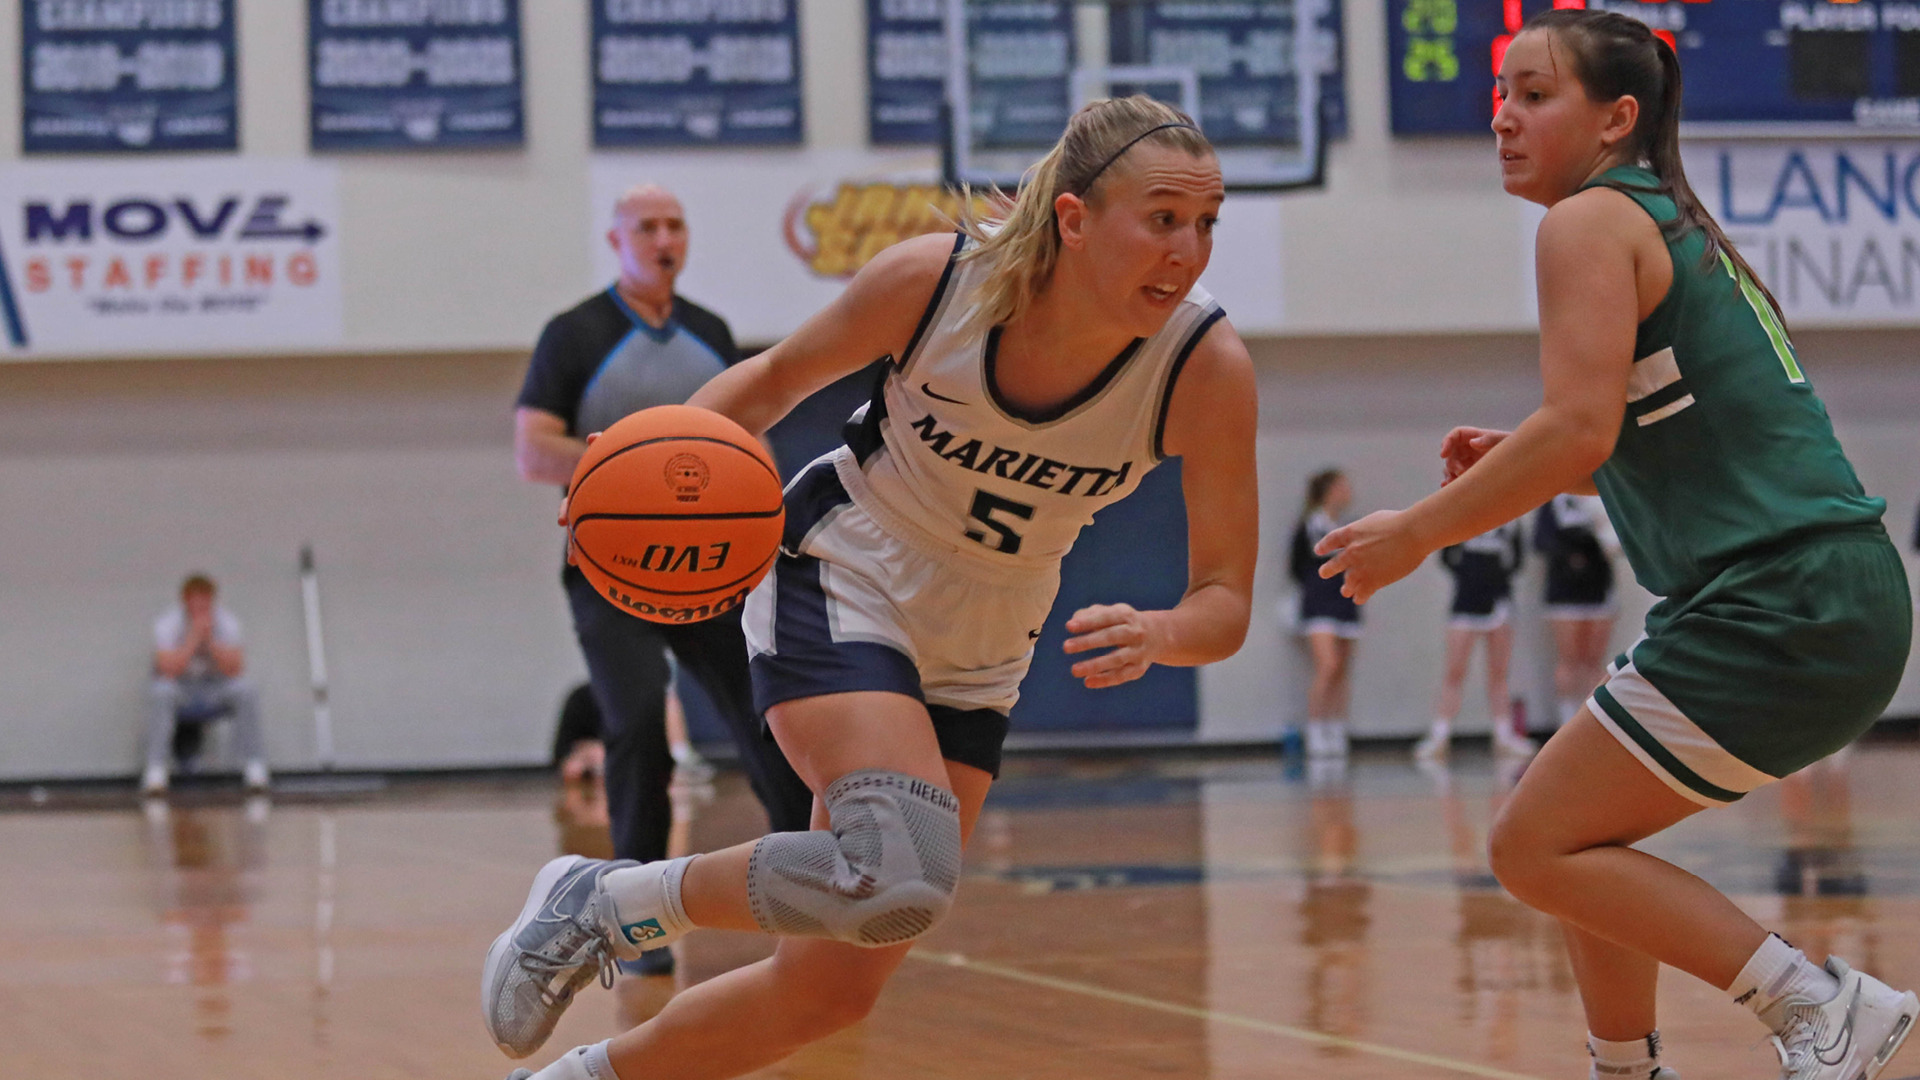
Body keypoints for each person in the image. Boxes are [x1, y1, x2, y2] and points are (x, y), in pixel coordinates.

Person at [482, 95, 1260, 1080]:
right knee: (899, 867)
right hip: (845, 573)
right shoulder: (938, 284)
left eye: (1206, 222)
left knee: (828, 991)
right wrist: (637, 466)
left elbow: (1226, 597)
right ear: (1073, 217)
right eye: (1162, 219)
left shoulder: (1206, 367)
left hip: (985, 645)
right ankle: (605, 903)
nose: (1188, 249)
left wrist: (1165, 635)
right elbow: (765, 387)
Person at [1315, 12, 1915, 1080]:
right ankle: (1624, 1069)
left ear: (1616, 118)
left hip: (1781, 600)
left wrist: (1415, 531)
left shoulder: (1588, 220)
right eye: (1501, 93)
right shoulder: (1664, 221)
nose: (1503, 116)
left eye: (1534, 95)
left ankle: (1819, 1005)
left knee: (1531, 845)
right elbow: (1637, 433)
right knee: (1575, 843)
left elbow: (1578, 426)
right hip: (1818, 595)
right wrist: (1539, 455)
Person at [514, 183, 816, 976]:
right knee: (639, 720)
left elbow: (749, 445)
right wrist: (631, 471)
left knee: (769, 719)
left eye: (675, 223)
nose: (662, 237)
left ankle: (816, 894)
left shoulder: (711, 333)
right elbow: (532, 449)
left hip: (710, 573)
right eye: (645, 226)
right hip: (606, 575)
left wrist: (769, 526)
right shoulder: (575, 334)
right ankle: (633, 923)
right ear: (616, 241)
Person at [1416, 520, 1535, 759]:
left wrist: (1495, 577)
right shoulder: (1466, 513)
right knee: (1454, 672)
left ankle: (1503, 736)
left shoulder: (1511, 520)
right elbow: (1447, 556)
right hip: (1465, 602)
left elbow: (1518, 560)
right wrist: (1470, 576)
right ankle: (1440, 736)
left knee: (1498, 673)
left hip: (1499, 602)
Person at [144, 573, 268, 795]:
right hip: (181, 688)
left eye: (205, 601)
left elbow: (235, 669)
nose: (200, 607)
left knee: (246, 690)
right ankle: (156, 771)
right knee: (161, 691)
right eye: (195, 601)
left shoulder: (228, 622)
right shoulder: (168, 623)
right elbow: (168, 670)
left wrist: (210, 641)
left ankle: (254, 766)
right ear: (185, 600)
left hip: (215, 687)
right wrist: (193, 638)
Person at [1289, 469, 1361, 758]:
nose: (1347, 490)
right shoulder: (1308, 526)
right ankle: (1316, 729)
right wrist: (1316, 587)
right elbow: (1295, 568)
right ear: (1329, 490)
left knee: (1342, 671)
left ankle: (1336, 728)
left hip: (1346, 602)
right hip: (1318, 605)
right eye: (1342, 485)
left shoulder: (1347, 528)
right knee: (1327, 666)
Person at [1536, 494, 1622, 728]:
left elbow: (1619, 541)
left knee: (1594, 662)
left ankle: (1593, 724)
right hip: (1565, 591)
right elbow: (1541, 540)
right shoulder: (1554, 499)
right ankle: (1566, 723)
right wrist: (1571, 554)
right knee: (1568, 659)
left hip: (1599, 588)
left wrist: (1603, 540)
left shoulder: (1605, 495)